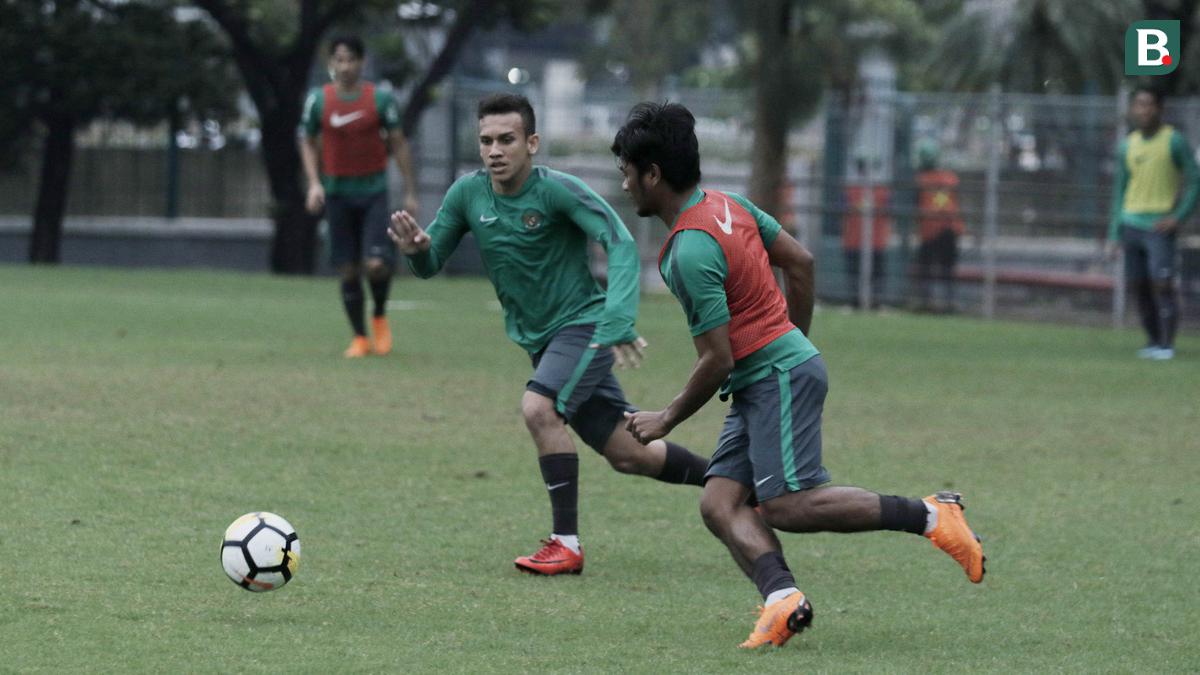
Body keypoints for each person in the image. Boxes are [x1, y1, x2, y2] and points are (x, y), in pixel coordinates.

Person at [611, 102, 985, 649]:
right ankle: (782, 600)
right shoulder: (728, 205)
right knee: (719, 503)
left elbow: (717, 359)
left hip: (776, 376)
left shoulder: (688, 250)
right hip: (773, 372)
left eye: (627, 172)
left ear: (653, 174)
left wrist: (664, 419)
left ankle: (932, 515)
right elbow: (802, 262)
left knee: (787, 505)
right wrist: (794, 338)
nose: (624, 185)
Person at [387, 93, 710, 576]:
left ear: (532, 143)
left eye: (507, 139)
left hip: (583, 329)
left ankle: (566, 544)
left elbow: (619, 242)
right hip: (543, 345)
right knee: (629, 454)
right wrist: (416, 249)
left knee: (539, 408)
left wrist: (619, 318)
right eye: (486, 141)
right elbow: (431, 264)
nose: (495, 150)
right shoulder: (467, 195)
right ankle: (737, 482)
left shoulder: (559, 191)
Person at [300, 35, 420, 358]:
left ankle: (379, 316)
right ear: (331, 63)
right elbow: (307, 141)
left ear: (362, 62)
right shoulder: (319, 101)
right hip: (337, 194)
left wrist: (410, 190)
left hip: (373, 192)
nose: (345, 66)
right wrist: (314, 183)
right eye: (338, 59)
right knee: (348, 269)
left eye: (351, 59)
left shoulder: (379, 100)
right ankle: (359, 337)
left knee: (377, 264)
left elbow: (398, 144)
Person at [1107, 86, 1199, 361]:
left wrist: (1178, 216)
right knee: (1138, 285)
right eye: (1138, 104)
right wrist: (1114, 233)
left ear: (1160, 109)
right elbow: (1120, 191)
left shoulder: (1174, 141)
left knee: (1163, 283)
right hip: (1131, 224)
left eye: (1148, 104)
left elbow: (1195, 182)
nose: (1142, 110)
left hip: (1158, 226)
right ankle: (1153, 340)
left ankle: (1167, 345)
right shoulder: (1128, 145)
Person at [912, 140, 966, 313]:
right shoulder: (950, 177)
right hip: (950, 228)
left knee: (927, 268)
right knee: (947, 269)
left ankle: (927, 302)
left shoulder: (922, 179)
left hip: (931, 230)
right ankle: (949, 303)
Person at [841, 158, 891, 307]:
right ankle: (856, 301)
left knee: (875, 274)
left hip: (875, 240)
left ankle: (875, 301)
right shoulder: (851, 190)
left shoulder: (881, 191)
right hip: (855, 240)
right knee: (856, 274)